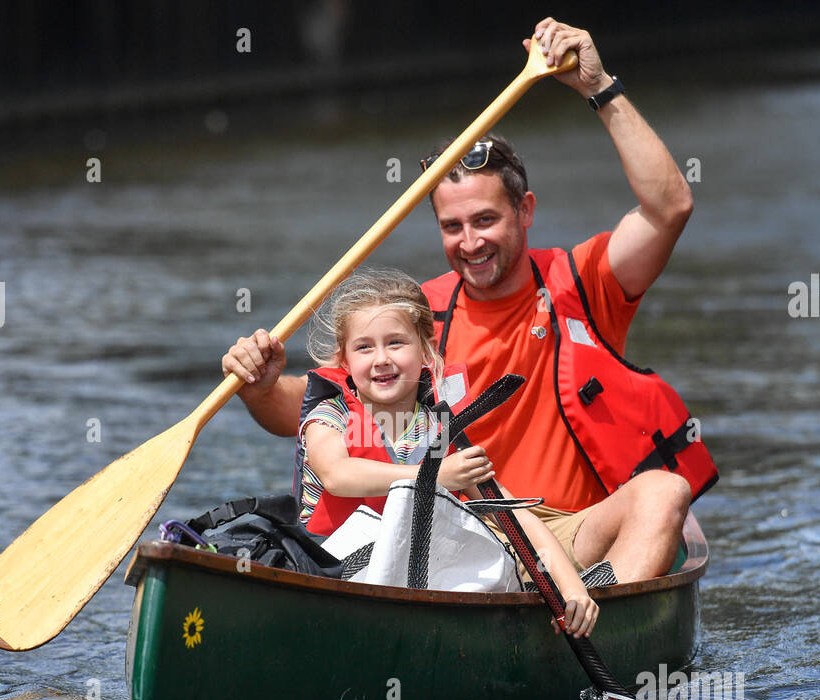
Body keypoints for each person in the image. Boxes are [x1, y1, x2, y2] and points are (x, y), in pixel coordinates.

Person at [222, 17, 715, 586]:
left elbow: (670, 208)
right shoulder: (417, 316)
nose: (470, 242)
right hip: (463, 533)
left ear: (524, 211)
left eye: (486, 220)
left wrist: (599, 88)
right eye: (452, 225)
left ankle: (591, 623)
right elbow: (311, 409)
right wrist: (258, 387)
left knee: (665, 489)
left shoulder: (582, 281)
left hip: (570, 532)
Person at [297, 267, 599, 637]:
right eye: (364, 347)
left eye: (396, 343)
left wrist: (571, 588)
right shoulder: (329, 416)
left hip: (414, 587)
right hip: (336, 577)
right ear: (344, 360)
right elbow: (337, 476)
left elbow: (513, 517)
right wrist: (433, 476)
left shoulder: (439, 433)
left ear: (425, 350)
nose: (381, 359)